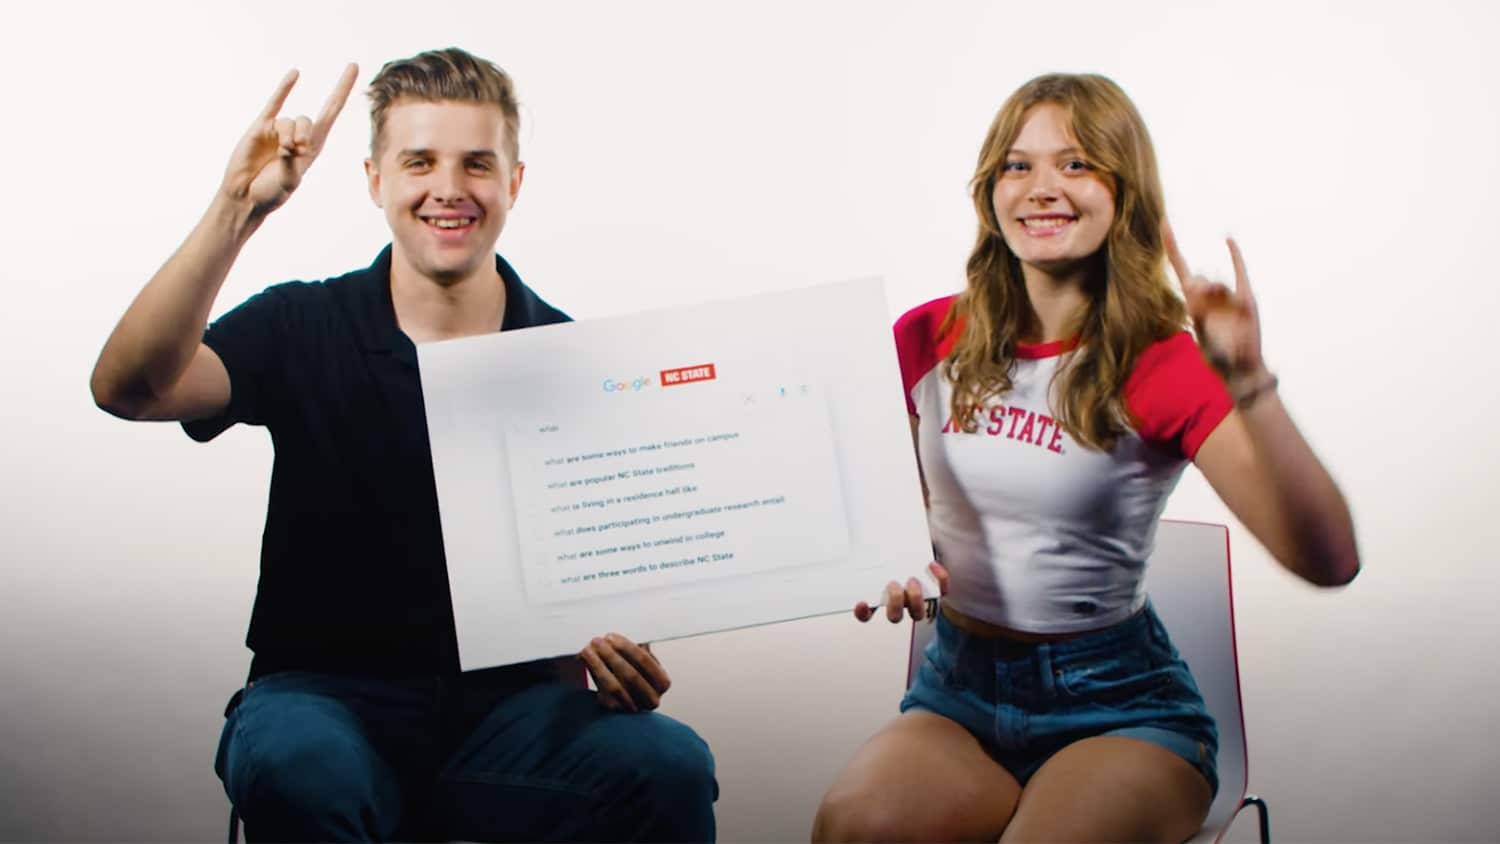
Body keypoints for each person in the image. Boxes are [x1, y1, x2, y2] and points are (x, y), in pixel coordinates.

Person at [90, 47, 717, 843]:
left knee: (670, 764)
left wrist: (625, 648)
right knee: (303, 767)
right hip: (321, 702)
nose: (448, 188)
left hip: (510, 717)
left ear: (514, 184)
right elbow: (128, 388)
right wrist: (236, 211)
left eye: (477, 164)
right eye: (419, 161)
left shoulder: (569, 358)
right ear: (374, 179)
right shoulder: (299, 323)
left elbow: (603, 573)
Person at [812, 72, 1360, 843]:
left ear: (1123, 189)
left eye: (1075, 164)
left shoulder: (1163, 363)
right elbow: (887, 524)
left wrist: (1249, 386)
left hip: (1121, 706)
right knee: (854, 829)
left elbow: (1329, 561)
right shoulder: (925, 338)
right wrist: (883, 566)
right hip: (957, 692)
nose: (1041, 187)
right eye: (1017, 164)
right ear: (989, 190)